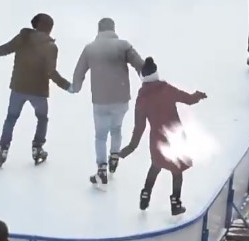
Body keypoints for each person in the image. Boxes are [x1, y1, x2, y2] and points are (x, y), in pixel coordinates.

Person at [118, 57, 206, 216]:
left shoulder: (143, 98)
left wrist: (131, 147)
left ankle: (145, 195)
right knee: (177, 171)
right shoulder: (167, 89)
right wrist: (197, 96)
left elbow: (140, 126)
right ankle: (175, 203)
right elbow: (188, 99)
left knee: (156, 166)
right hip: (175, 138)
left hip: (158, 140)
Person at [0, 13, 71, 167]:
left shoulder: (23, 38)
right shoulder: (51, 47)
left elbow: (5, 49)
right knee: (42, 118)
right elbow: (51, 72)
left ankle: (3, 149)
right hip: (38, 91)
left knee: (11, 118)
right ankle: (37, 148)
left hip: (18, 87)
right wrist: (67, 86)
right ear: (48, 28)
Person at [70, 17, 143, 184]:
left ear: (98, 30)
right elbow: (140, 65)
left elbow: (79, 71)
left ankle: (101, 169)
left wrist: (76, 87)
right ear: (113, 29)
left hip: (100, 100)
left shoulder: (90, 49)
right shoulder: (124, 45)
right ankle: (114, 156)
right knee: (116, 129)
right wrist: (149, 81)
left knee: (100, 136)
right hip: (121, 98)